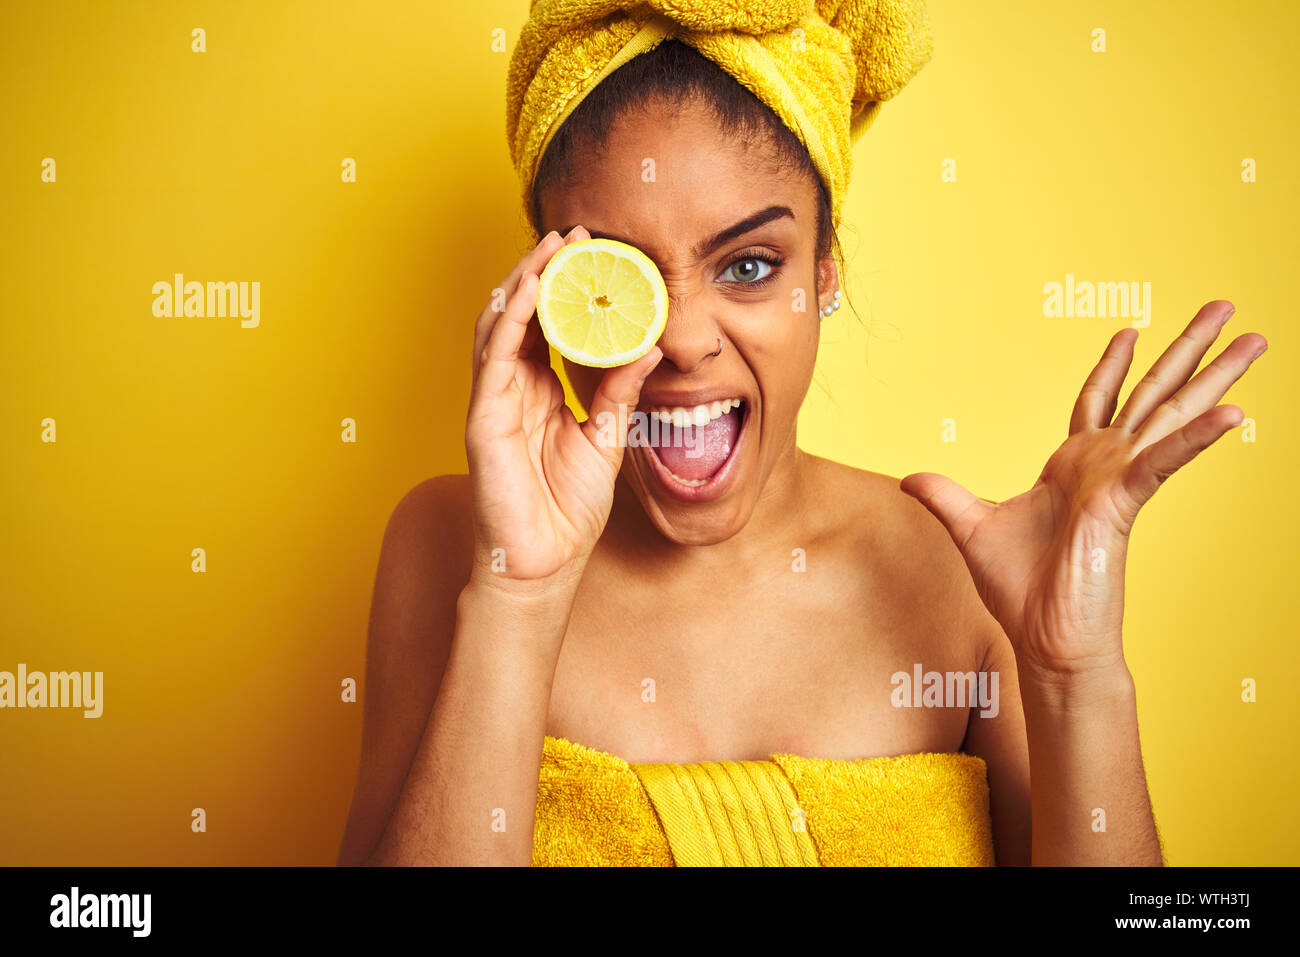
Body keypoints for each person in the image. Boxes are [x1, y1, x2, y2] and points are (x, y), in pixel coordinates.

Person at [337, 1, 1266, 866]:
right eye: (621, 273)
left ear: (824, 275)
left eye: (748, 264)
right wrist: (519, 600)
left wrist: (1075, 675)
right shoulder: (454, 546)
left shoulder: (964, 573)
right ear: (559, 297)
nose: (684, 340)